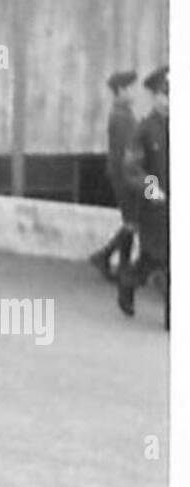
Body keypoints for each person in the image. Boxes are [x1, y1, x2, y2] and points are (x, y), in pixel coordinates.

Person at [117, 64, 169, 329]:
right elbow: (132, 168)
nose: (170, 100)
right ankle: (127, 283)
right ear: (155, 97)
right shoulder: (146, 129)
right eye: (165, 94)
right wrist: (153, 190)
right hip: (156, 209)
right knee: (154, 259)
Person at [89, 70, 140, 280]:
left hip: (124, 175)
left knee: (133, 222)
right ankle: (115, 263)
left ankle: (112, 260)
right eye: (130, 88)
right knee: (132, 222)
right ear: (120, 91)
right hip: (125, 176)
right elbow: (127, 152)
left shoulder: (124, 113)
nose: (134, 92)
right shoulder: (121, 117)